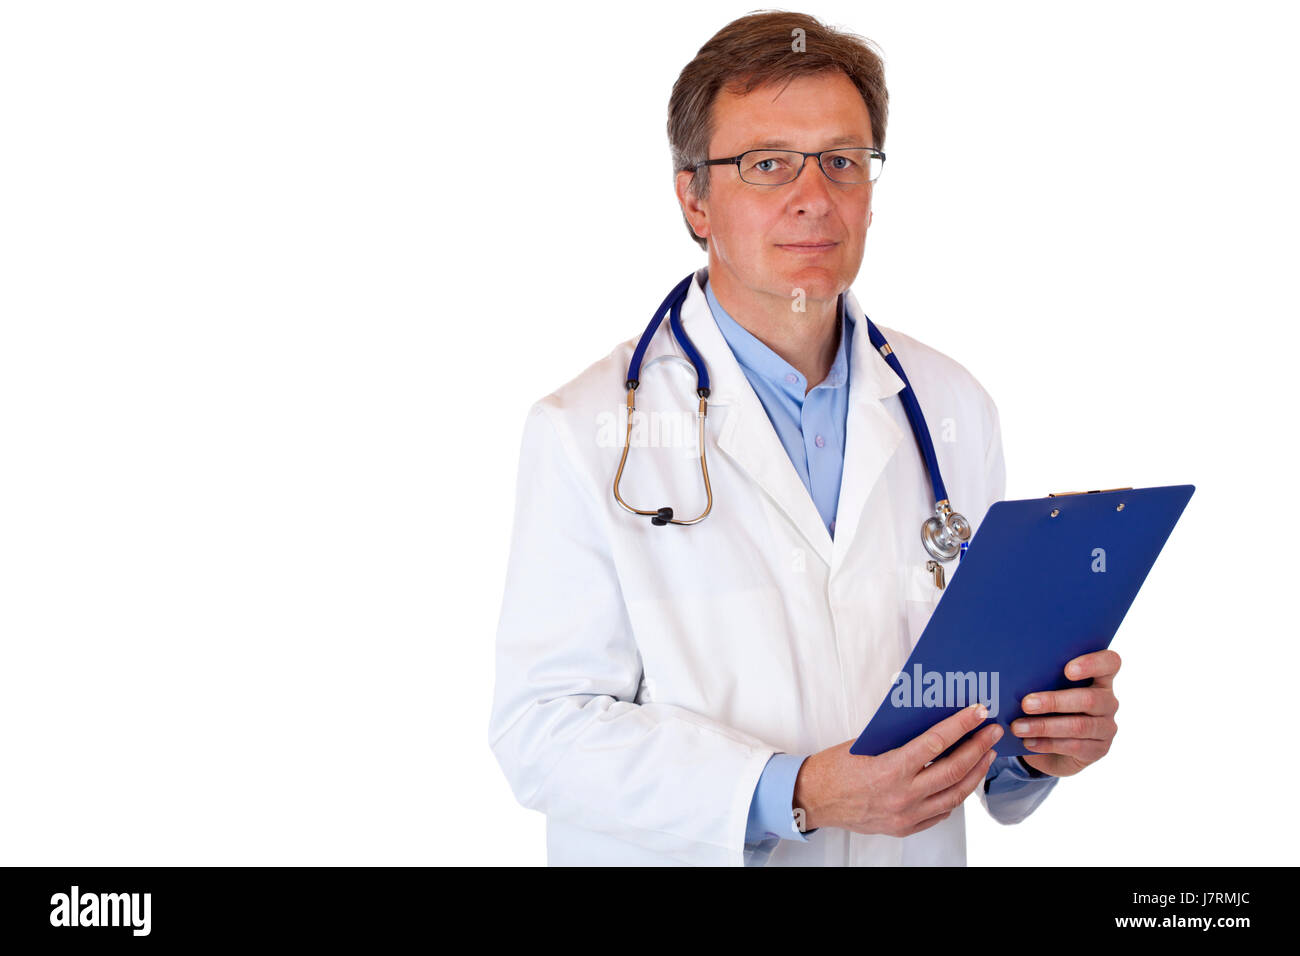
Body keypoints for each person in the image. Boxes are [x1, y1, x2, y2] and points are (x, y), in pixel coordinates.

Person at [489, 11, 1120, 866]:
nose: (813, 196)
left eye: (842, 161)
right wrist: (795, 792)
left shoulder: (950, 406)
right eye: (767, 164)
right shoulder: (586, 433)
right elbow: (542, 730)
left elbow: (971, 686)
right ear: (694, 199)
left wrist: (1040, 743)